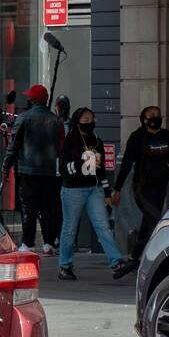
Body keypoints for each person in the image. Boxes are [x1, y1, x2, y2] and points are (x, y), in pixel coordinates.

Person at [56, 107, 126, 281]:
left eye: (91, 119)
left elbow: (100, 171)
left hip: (94, 189)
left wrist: (107, 191)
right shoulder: (70, 141)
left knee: (102, 226)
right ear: (77, 121)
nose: (89, 123)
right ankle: (65, 265)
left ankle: (116, 262)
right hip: (73, 190)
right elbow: (62, 168)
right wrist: (82, 164)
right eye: (85, 120)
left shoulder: (97, 141)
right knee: (70, 229)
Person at [110, 105, 169, 278]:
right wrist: (116, 189)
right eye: (151, 115)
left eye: (157, 114)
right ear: (144, 119)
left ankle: (134, 258)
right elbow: (126, 164)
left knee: (147, 225)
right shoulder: (137, 138)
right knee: (158, 221)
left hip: (160, 187)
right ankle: (164, 260)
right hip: (142, 189)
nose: (155, 117)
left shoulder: (166, 135)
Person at [2, 84, 64, 256]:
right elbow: (61, 146)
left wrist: (6, 165)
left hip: (28, 170)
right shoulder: (56, 120)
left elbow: (13, 146)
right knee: (48, 207)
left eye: (30, 97)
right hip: (50, 171)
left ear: (33, 100)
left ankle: (28, 243)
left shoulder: (23, 118)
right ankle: (49, 243)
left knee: (28, 207)